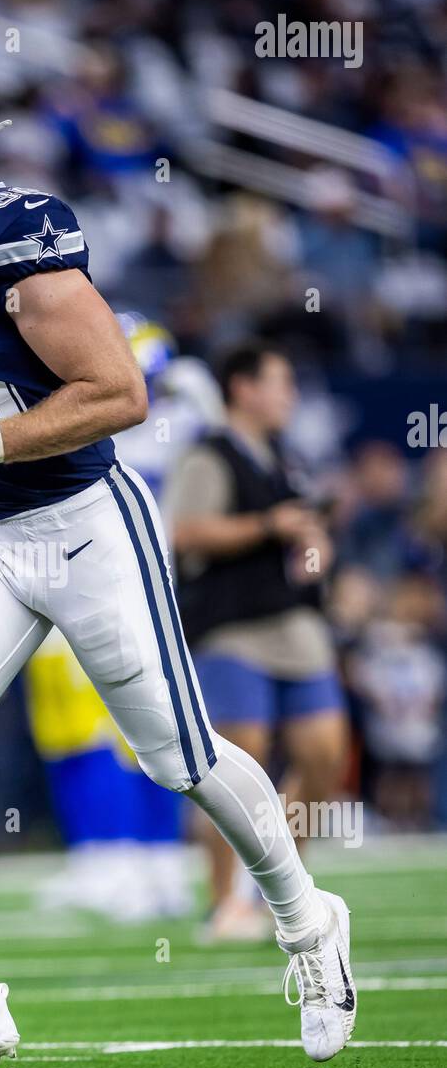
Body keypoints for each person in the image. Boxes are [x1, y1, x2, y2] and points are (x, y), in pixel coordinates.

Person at [0, 38, 357, 1068]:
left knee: (182, 757)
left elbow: (120, 392)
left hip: (80, 521)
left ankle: (307, 920)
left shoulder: (15, 233)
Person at [168, 343, 349, 940]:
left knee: (324, 755)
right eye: (279, 383)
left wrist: (313, 552)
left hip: (296, 626)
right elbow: (183, 533)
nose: (289, 395)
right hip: (233, 628)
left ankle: (285, 890)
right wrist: (268, 526)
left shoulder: (285, 457)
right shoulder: (210, 454)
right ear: (242, 388)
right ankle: (224, 903)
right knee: (238, 765)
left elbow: (310, 540)